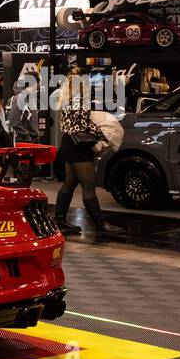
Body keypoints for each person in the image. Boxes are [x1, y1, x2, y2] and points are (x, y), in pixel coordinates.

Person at [54, 64, 121, 235]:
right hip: (79, 146)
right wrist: (100, 132)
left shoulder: (67, 97)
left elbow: (69, 125)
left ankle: (60, 221)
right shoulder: (79, 99)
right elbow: (81, 126)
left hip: (69, 143)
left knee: (69, 184)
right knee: (88, 186)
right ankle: (101, 224)